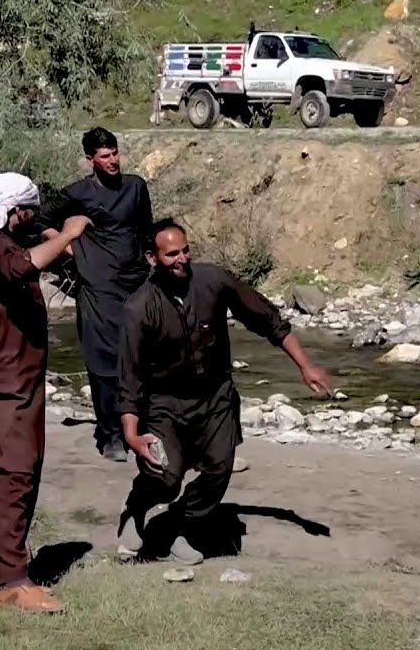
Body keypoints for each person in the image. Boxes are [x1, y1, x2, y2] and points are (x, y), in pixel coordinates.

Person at [115, 218, 333, 564]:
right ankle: (136, 507)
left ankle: (176, 526)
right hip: (164, 404)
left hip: (215, 397)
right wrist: (131, 434)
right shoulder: (139, 308)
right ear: (151, 258)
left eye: (186, 250)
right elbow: (130, 377)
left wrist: (305, 365)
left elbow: (268, 321)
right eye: (172, 254)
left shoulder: (213, 280)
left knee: (219, 469)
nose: (182, 259)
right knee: (166, 477)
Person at [0, 172, 91, 613]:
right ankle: (12, 580)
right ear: (14, 210)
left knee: (11, 472)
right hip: (3, 384)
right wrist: (68, 233)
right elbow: (20, 266)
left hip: (15, 380)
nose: (33, 218)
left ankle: (1, 570)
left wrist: (56, 238)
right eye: (30, 211)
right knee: (8, 473)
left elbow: (28, 252)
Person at [36, 127, 152, 463]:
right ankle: (110, 435)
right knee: (104, 360)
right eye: (105, 155)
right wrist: (69, 248)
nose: (113, 160)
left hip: (136, 282)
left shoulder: (135, 187)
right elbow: (42, 220)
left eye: (114, 153)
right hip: (98, 286)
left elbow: (146, 228)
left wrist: (151, 260)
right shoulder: (78, 193)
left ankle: (139, 425)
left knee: (140, 356)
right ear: (91, 160)